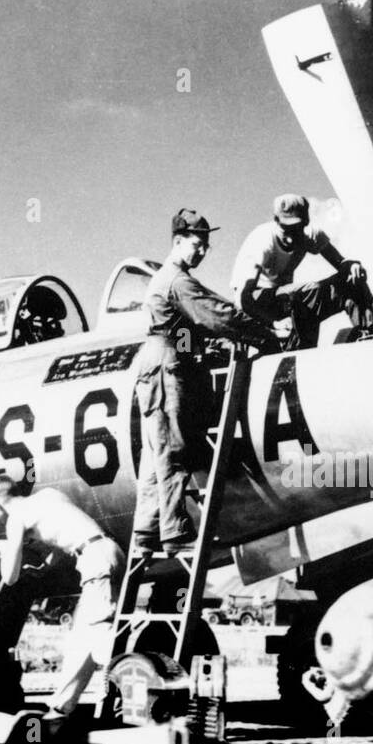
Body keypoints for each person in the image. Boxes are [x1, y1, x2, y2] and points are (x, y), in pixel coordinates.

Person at [133, 208, 276, 556]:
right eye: (198, 244)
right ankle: (176, 532)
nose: (202, 251)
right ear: (179, 241)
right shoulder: (177, 281)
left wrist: (204, 347)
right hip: (166, 368)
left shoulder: (165, 282)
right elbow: (217, 313)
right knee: (174, 451)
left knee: (157, 457)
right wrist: (265, 336)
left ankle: (147, 531)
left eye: (206, 246)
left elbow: (180, 331)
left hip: (160, 359)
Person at [0, 475, 119, 727]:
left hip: (95, 563)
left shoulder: (16, 519)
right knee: (82, 637)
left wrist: (4, 549)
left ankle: (147, 680)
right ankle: (60, 708)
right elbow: (67, 537)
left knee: (101, 640)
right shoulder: (49, 496)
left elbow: (9, 578)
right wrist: (44, 567)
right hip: (109, 551)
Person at [231, 193, 373, 350]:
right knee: (308, 292)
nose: (291, 237)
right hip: (258, 303)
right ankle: (296, 349)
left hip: (290, 300)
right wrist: (274, 323)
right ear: (276, 220)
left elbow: (341, 263)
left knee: (349, 280)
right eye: (287, 229)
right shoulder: (262, 240)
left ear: (305, 222)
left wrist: (351, 265)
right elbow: (242, 299)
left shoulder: (309, 235)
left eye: (297, 229)